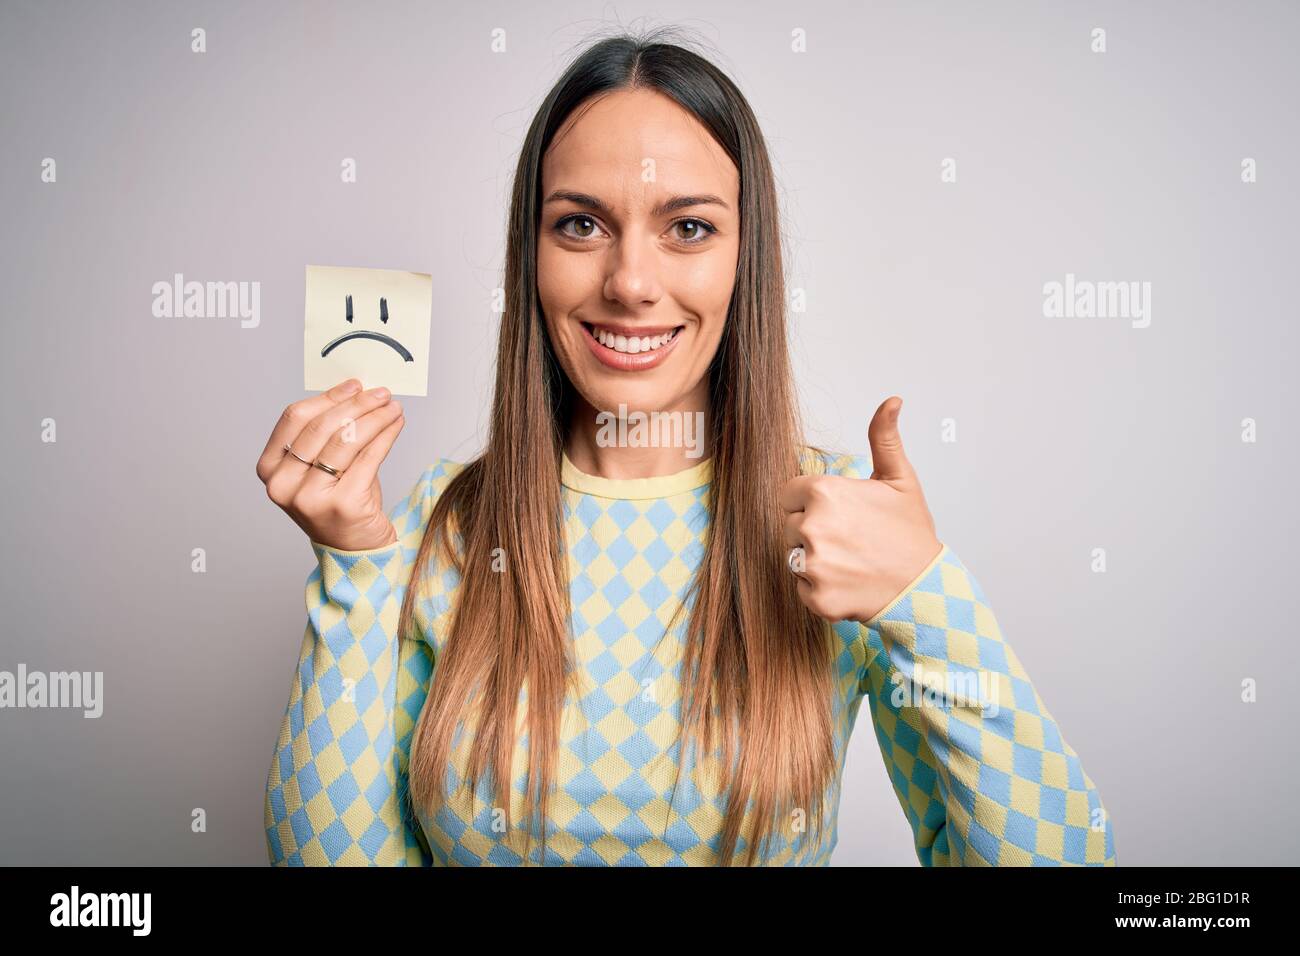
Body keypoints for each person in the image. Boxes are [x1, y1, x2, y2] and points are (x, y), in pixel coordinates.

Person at [256, 31, 1116, 867]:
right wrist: (353, 566)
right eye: (581, 225)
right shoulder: (445, 524)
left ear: (747, 256)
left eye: (689, 229)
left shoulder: (837, 521)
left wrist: (927, 596)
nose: (631, 282)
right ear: (532, 256)